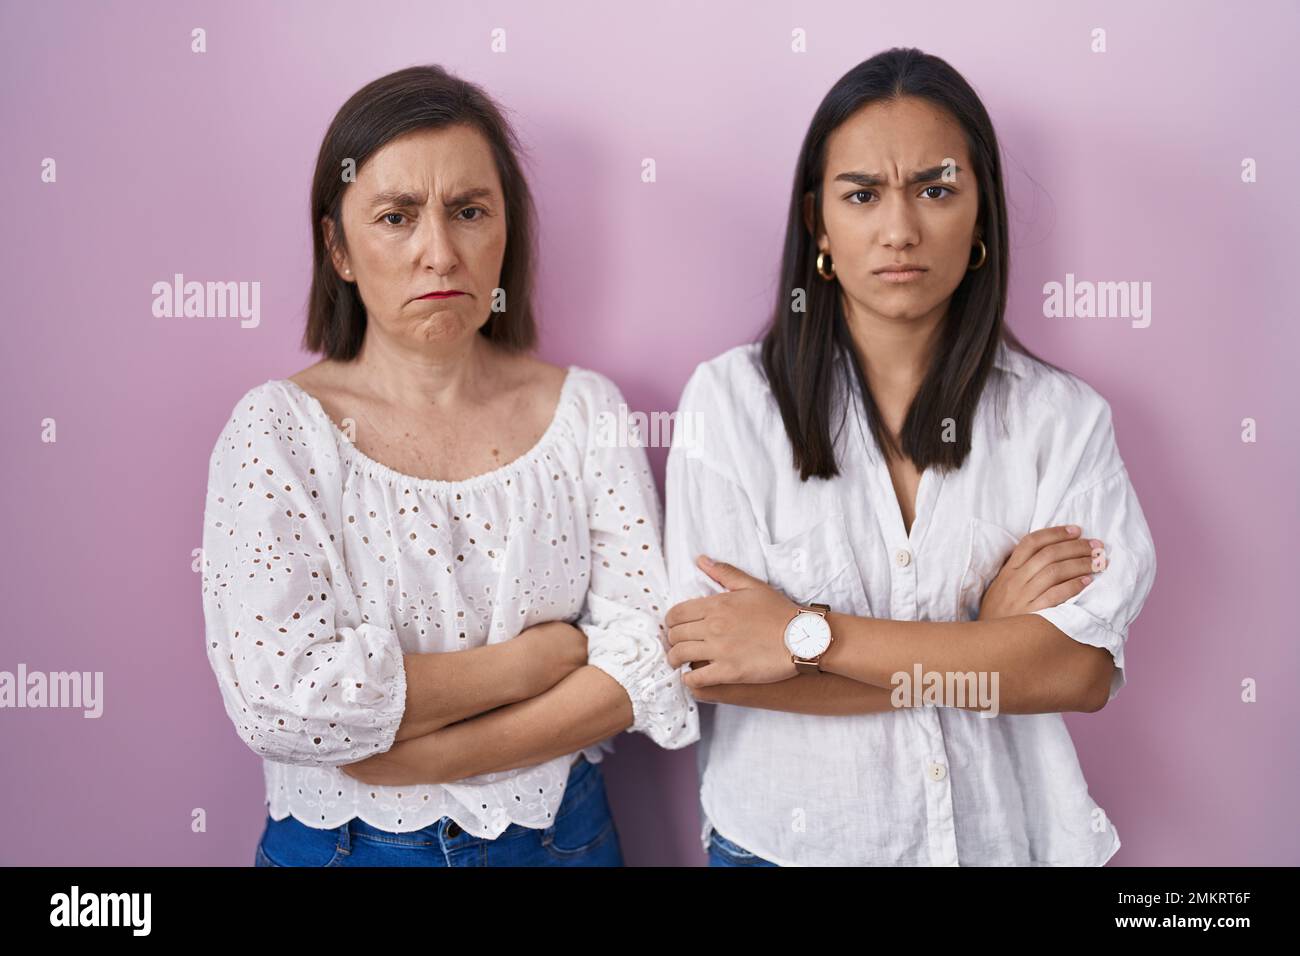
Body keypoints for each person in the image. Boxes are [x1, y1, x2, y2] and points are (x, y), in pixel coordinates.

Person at [663, 47, 1157, 867]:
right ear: (820, 223)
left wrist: (802, 637)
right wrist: (984, 644)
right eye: (862, 195)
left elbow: (1076, 672)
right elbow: (717, 667)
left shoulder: (1061, 419)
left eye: (936, 189)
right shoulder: (730, 405)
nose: (900, 230)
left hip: (997, 844)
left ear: (982, 219)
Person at [200, 64, 697, 867]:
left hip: (563, 839)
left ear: (508, 230)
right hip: (347, 847)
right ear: (339, 247)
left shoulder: (587, 414)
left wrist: (424, 756)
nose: (440, 252)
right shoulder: (279, 433)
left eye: (469, 211)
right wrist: (527, 662)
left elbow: (649, 655)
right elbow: (284, 701)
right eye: (397, 216)